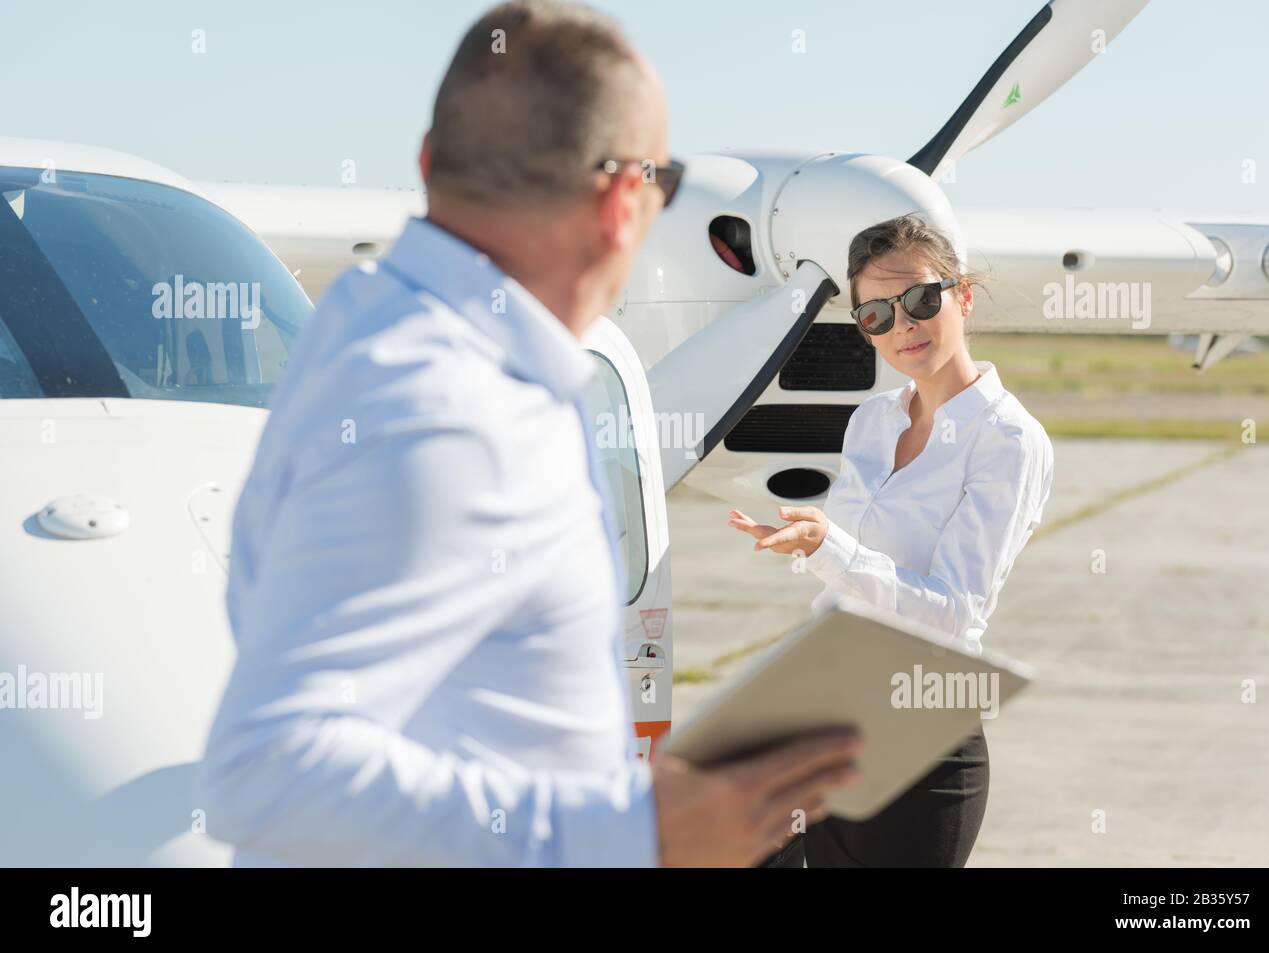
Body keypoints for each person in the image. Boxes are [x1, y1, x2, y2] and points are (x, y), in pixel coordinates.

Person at [194, 0, 860, 868]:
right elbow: (266, 772)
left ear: (431, 162)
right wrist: (637, 834)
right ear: (626, 199)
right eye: (664, 180)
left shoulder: (372, 329)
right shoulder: (448, 405)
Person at [731, 214, 1054, 867]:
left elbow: (955, 611)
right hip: (826, 718)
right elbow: (853, 584)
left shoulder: (1009, 440)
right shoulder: (870, 421)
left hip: (922, 732)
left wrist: (830, 549)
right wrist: (814, 543)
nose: (902, 324)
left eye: (919, 299)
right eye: (876, 314)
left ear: (962, 296)